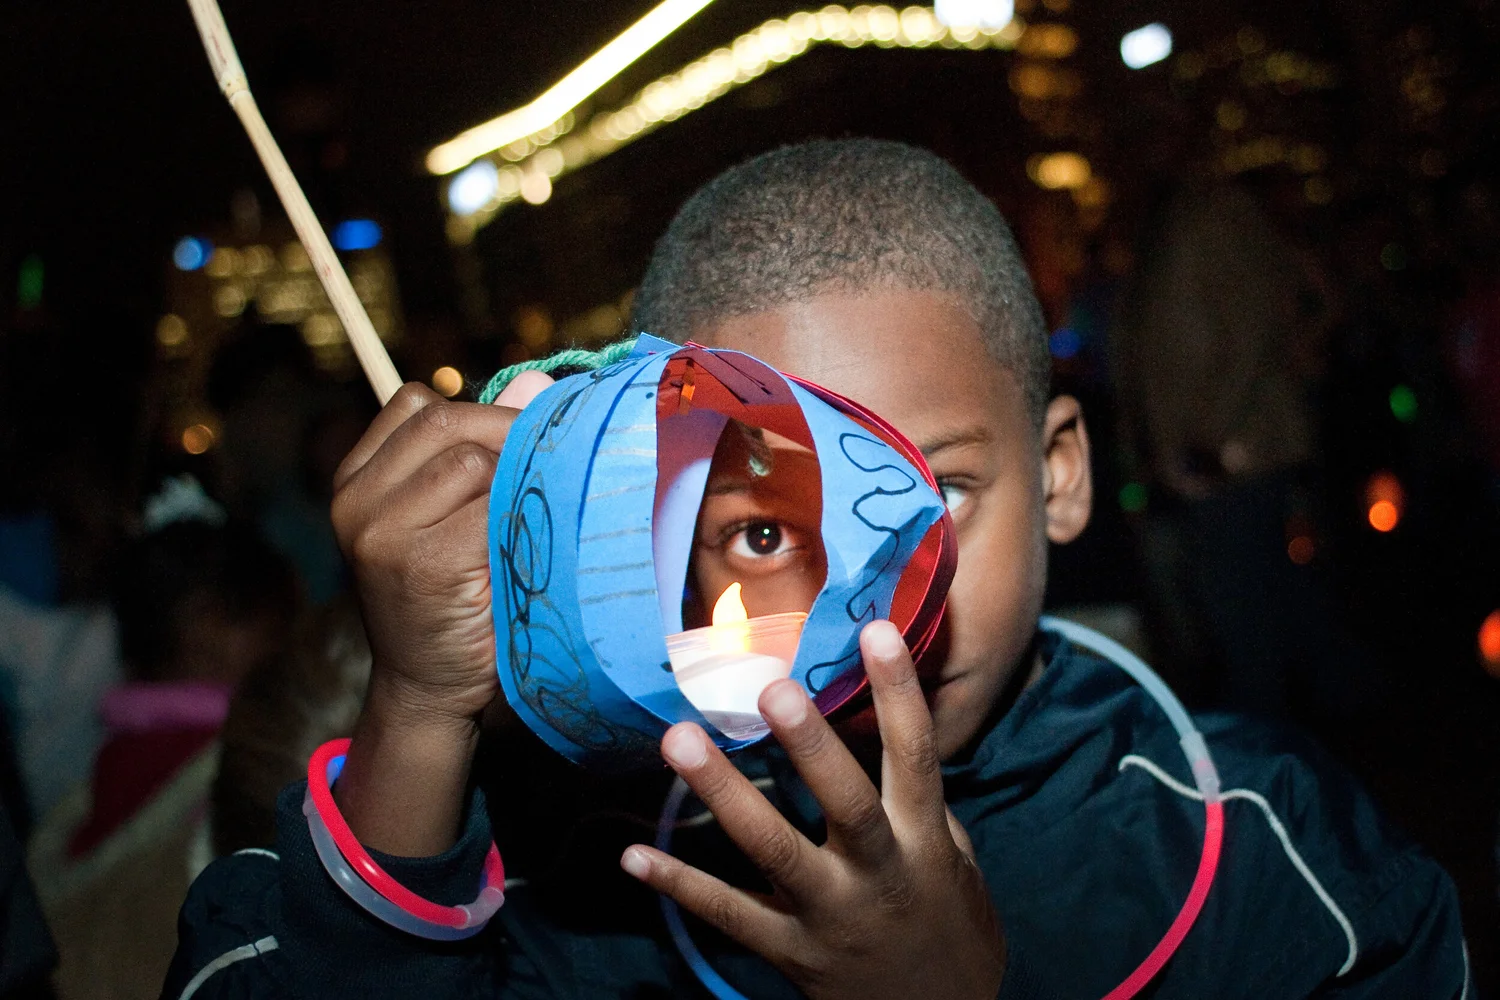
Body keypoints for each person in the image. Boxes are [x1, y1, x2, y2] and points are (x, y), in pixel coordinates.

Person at [163, 140, 1469, 999]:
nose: (872, 602)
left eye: (939, 490)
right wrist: (415, 710)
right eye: (765, 528)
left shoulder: (1257, 851)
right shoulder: (585, 860)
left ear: (1061, 473)